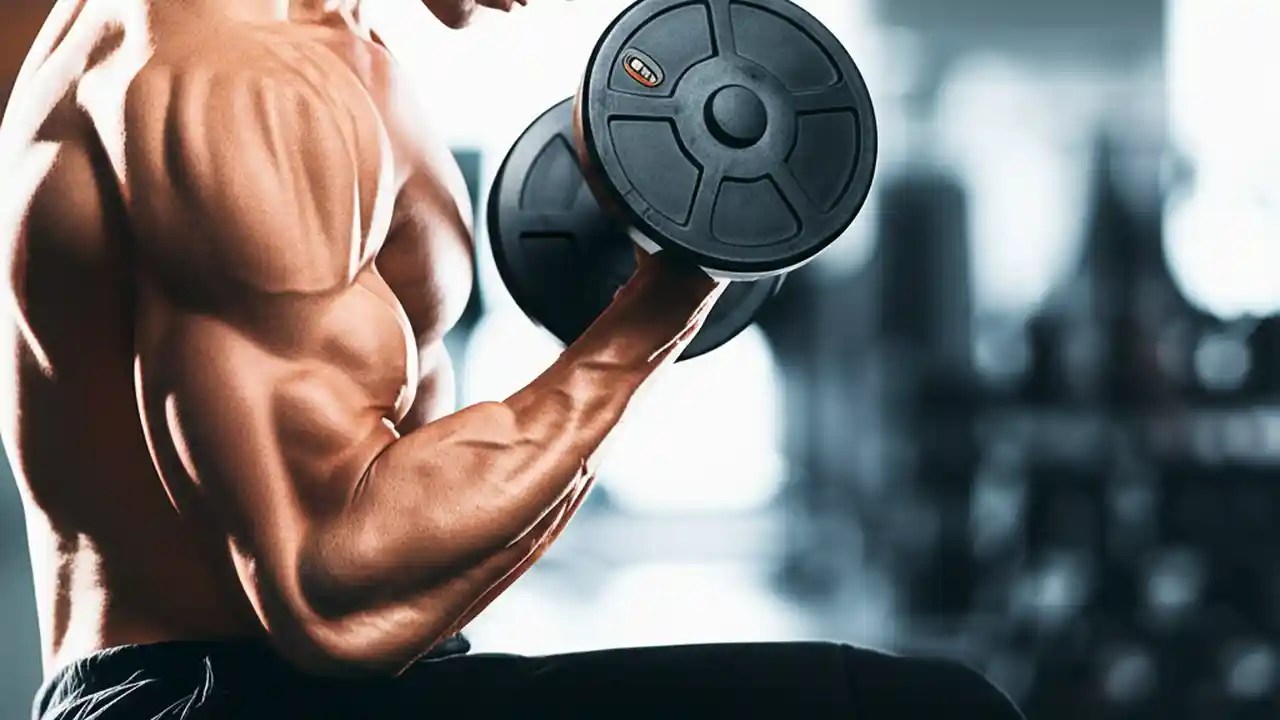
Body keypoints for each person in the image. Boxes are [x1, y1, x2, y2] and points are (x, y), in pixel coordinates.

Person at [0, 0, 1024, 717]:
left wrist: (621, 295)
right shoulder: (232, 76)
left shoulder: (338, 51)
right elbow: (326, 585)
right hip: (216, 702)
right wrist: (654, 316)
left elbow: (389, 487)